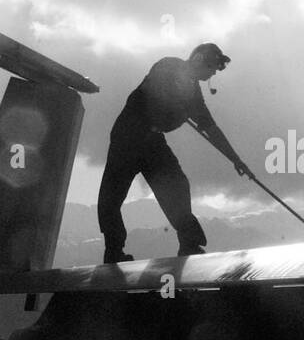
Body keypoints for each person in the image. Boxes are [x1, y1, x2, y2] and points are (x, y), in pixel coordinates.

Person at [97, 43, 248, 263]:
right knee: (110, 201)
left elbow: (211, 128)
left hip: (153, 142)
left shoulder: (195, 96)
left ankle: (189, 244)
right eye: (212, 66)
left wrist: (235, 159)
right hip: (127, 137)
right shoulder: (168, 65)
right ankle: (113, 251)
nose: (214, 72)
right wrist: (176, 102)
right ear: (198, 60)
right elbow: (159, 85)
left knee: (177, 185)